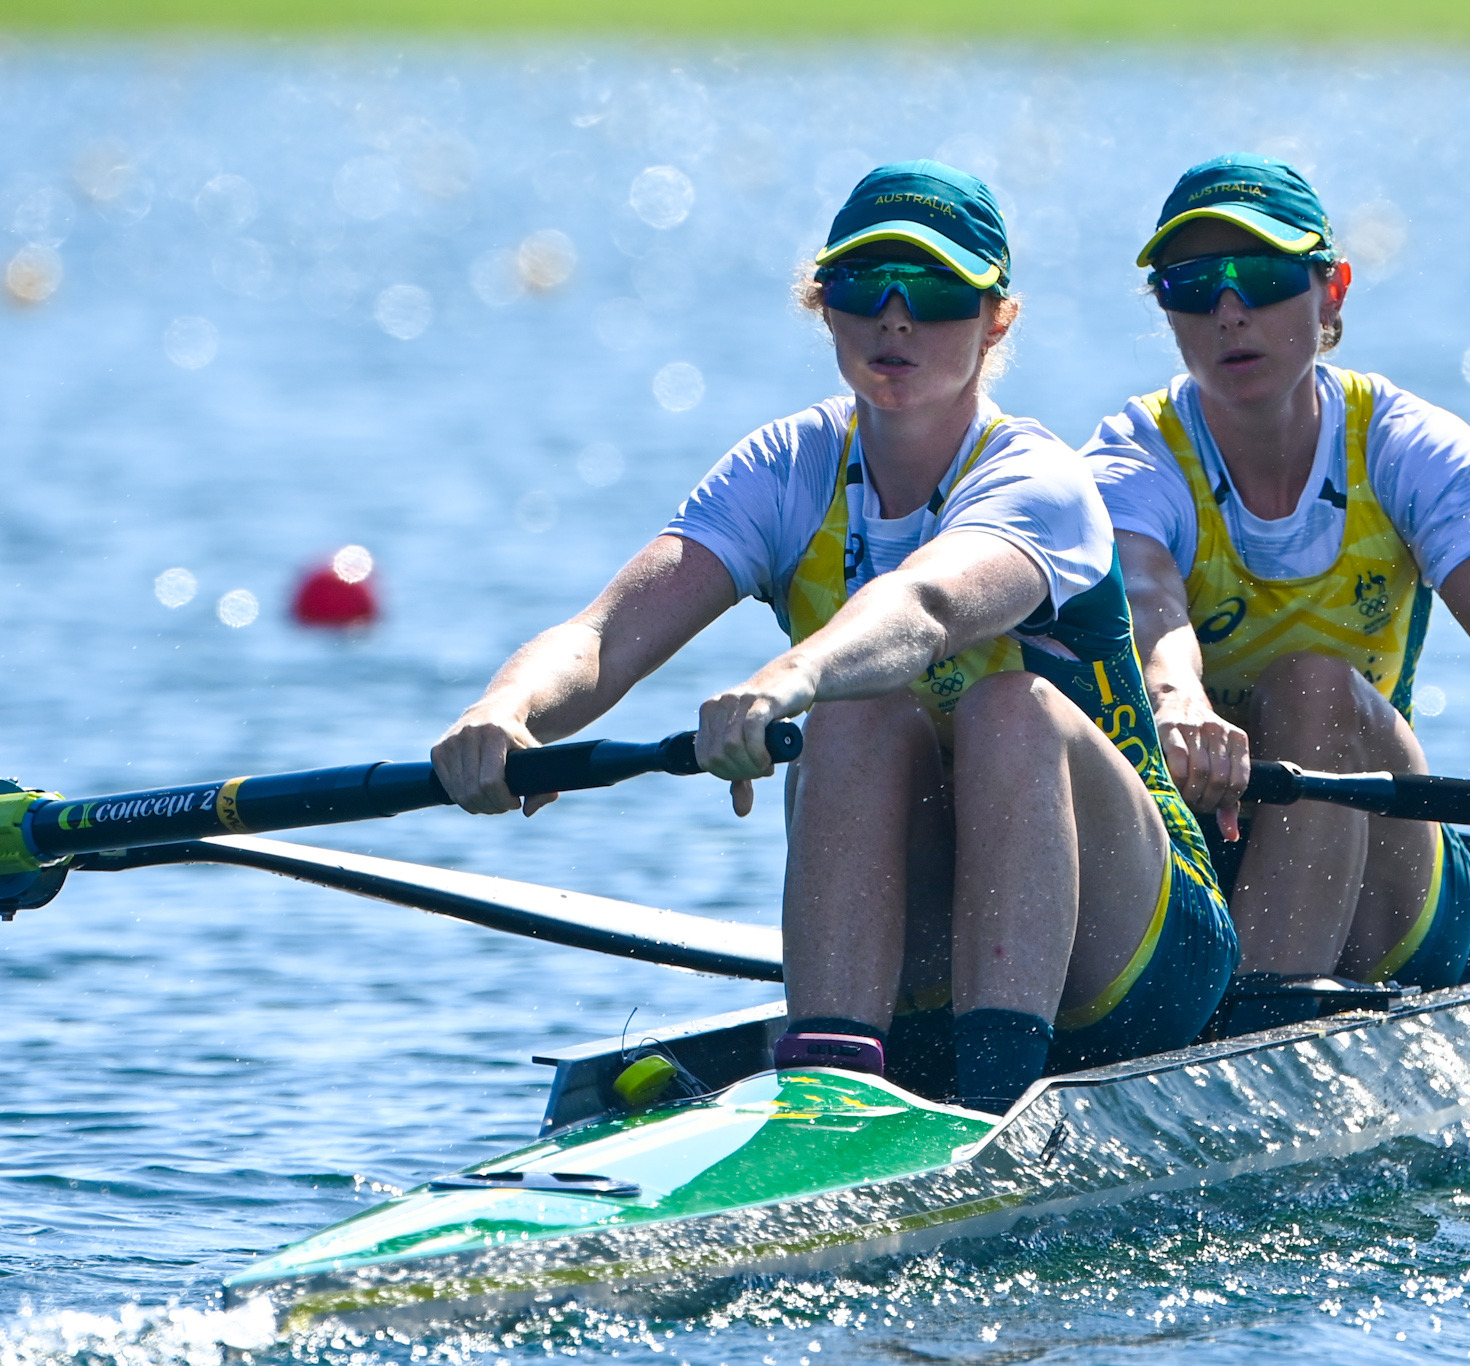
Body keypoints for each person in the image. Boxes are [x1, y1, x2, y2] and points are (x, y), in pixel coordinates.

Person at [432, 161, 1235, 1114]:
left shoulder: (1040, 481)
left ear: (996, 321)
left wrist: (787, 679)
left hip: (1138, 951)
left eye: (936, 292)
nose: (896, 318)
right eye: (863, 288)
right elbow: (604, 639)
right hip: (937, 940)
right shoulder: (786, 467)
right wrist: (506, 710)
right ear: (825, 306)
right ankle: (833, 1087)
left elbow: (926, 610)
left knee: (1006, 708)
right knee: (859, 722)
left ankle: (994, 1105)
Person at [1083, 154, 1470, 1036]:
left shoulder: (1410, 448)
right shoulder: (1132, 456)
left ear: (1333, 293)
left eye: (1264, 276)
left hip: (1387, 890)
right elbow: (1147, 607)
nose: (1229, 310)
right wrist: (1177, 704)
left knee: (1312, 686)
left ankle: (1245, 1036)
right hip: (1195, 867)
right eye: (1192, 284)